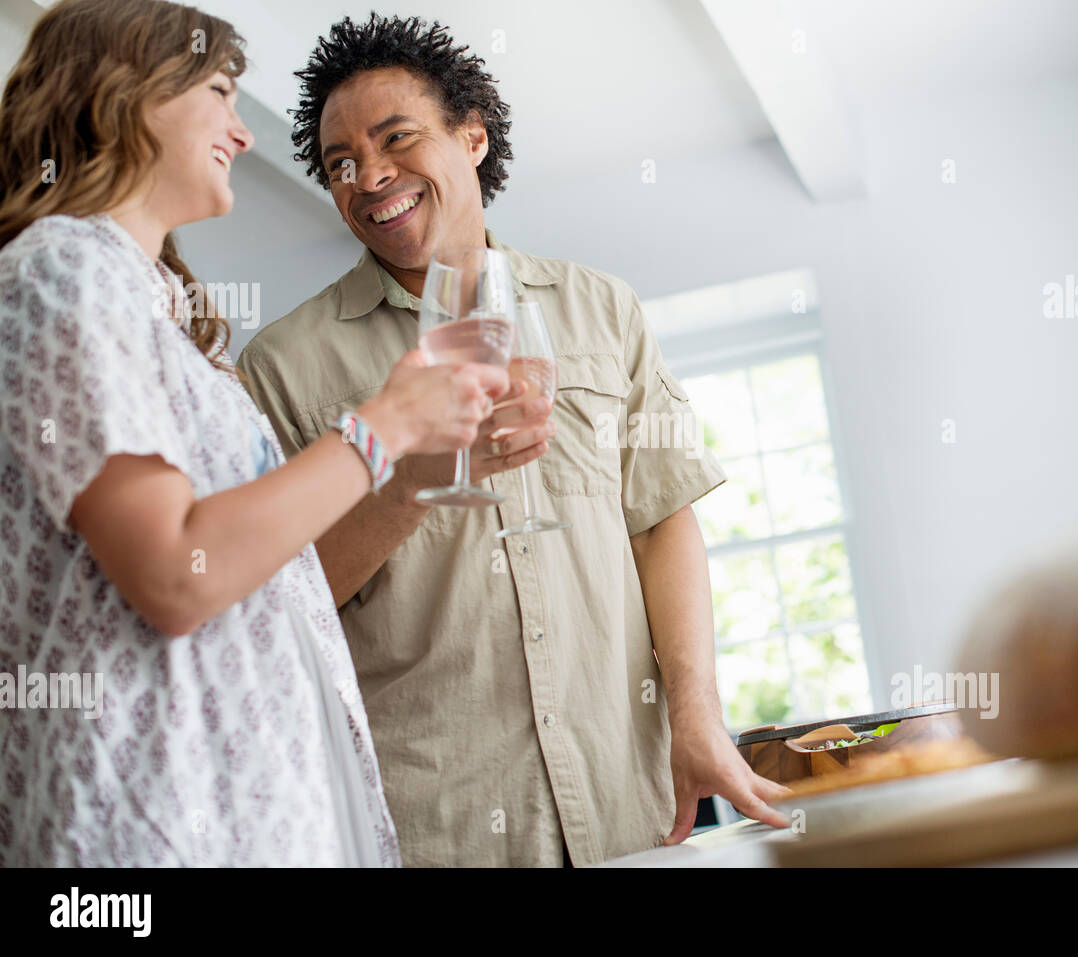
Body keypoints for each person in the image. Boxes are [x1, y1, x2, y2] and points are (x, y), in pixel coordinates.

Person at [237, 12, 791, 867]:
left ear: (472, 136)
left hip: (626, 805)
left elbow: (661, 518)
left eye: (396, 140)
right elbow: (284, 601)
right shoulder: (282, 365)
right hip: (434, 823)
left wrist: (696, 717)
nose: (369, 176)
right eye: (341, 164)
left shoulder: (601, 308)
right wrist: (414, 479)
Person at [0, 0, 509, 866]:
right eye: (223, 93)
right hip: (150, 830)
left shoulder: (152, 304)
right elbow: (173, 573)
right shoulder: (61, 270)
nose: (242, 133)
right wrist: (382, 426)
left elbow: (245, 562)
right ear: (128, 92)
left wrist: (412, 454)